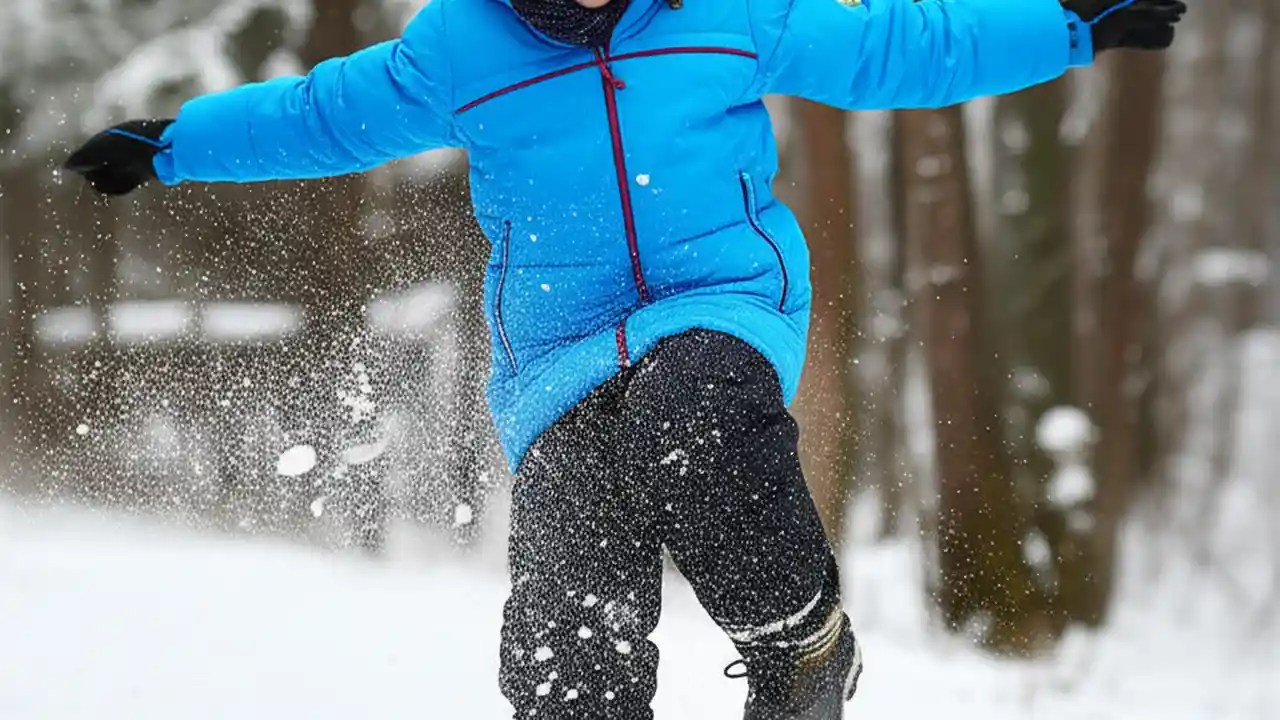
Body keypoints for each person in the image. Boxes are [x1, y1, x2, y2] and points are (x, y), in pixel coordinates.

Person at [66, 0, 1186, 716]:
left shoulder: (730, 11)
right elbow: (320, 113)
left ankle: (800, 645)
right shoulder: (458, 44)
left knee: (690, 422)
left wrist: (1070, 26)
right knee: (567, 628)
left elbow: (902, 45)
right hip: (555, 360)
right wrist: (171, 147)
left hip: (719, 303)